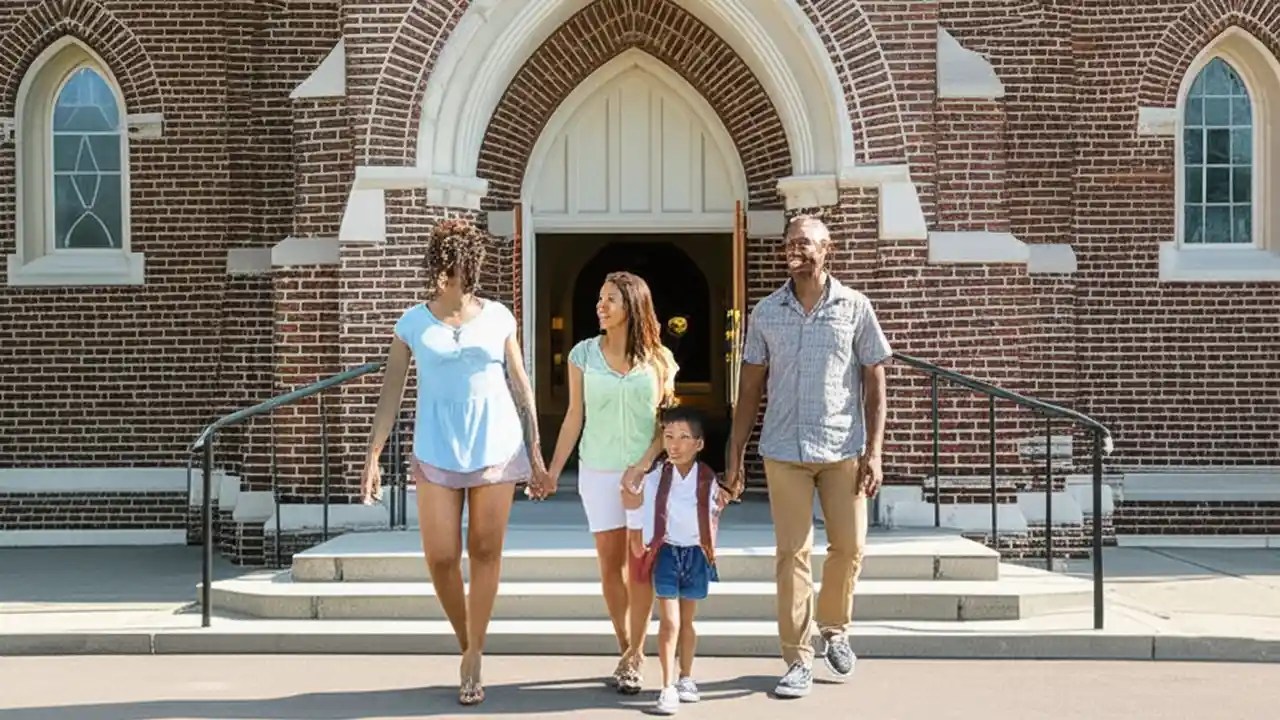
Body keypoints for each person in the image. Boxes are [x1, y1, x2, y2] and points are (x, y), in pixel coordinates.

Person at [359, 218, 549, 706]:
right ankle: (468, 638)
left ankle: (473, 655)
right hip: (435, 447)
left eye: (450, 262)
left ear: (467, 266)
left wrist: (536, 450)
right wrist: (373, 455)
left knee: (484, 552)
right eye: (437, 261)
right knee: (441, 557)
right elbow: (391, 393)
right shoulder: (413, 323)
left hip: (496, 446)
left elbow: (521, 386)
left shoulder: (500, 317)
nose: (441, 271)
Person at [724, 214, 891, 699]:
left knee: (850, 546)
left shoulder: (856, 307)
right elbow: (750, 386)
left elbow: (875, 382)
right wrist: (735, 456)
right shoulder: (765, 312)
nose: (793, 249)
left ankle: (834, 628)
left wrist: (875, 452)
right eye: (788, 242)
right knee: (792, 555)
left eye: (804, 242)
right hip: (783, 450)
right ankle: (796, 657)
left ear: (827, 249)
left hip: (843, 450)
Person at [546, 271, 677, 694]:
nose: (601, 306)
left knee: (640, 565)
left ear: (632, 307)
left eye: (611, 300)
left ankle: (635, 654)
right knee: (610, 567)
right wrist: (551, 471)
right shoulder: (582, 355)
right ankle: (626, 648)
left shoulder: (660, 359)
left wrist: (641, 465)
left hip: (645, 476)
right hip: (597, 472)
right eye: (600, 299)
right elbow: (573, 417)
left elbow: (667, 425)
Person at [624, 406, 729, 715]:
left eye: (684, 437)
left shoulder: (708, 478)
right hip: (667, 552)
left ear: (699, 444)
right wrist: (638, 540)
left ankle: (686, 677)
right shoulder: (658, 475)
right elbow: (638, 501)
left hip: (696, 554)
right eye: (669, 436)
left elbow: (718, 504)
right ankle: (667, 686)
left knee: (687, 622)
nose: (675, 444)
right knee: (669, 621)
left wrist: (725, 495)